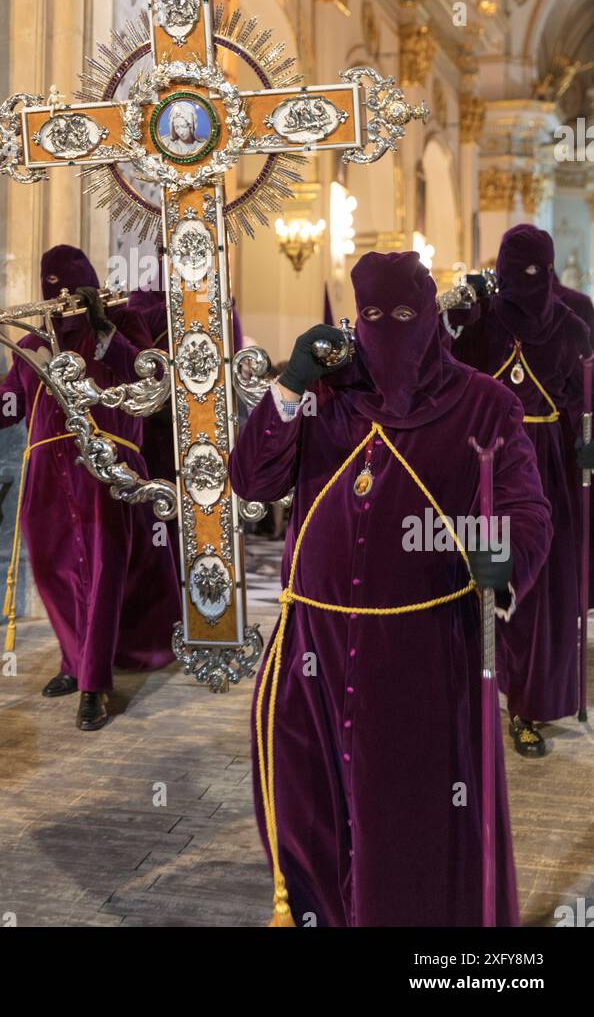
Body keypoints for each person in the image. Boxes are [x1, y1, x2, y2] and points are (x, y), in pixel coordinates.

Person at [229, 251, 551, 927]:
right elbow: (253, 483)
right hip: (309, 646)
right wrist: (288, 383)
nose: (386, 329)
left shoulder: (482, 404)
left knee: (412, 823)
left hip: (423, 652)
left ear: (431, 317)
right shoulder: (324, 397)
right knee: (308, 810)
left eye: (403, 315)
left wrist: (503, 559)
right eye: (371, 316)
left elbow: (525, 510)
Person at [0, 246, 181, 731]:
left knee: (102, 572)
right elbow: (11, 406)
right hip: (46, 470)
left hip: (105, 462)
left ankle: (94, 685)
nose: (60, 296)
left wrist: (104, 328)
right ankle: (73, 662)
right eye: (51, 287)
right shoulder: (37, 339)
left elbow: (149, 379)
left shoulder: (123, 321)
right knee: (54, 571)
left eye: (70, 286)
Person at [454, 225, 588, 755]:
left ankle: (529, 707)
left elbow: (584, 401)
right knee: (478, 579)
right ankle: (469, 697)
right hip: (490, 463)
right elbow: (450, 379)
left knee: (542, 594)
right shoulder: (478, 327)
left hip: (549, 471)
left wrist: (585, 439)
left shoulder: (573, 328)